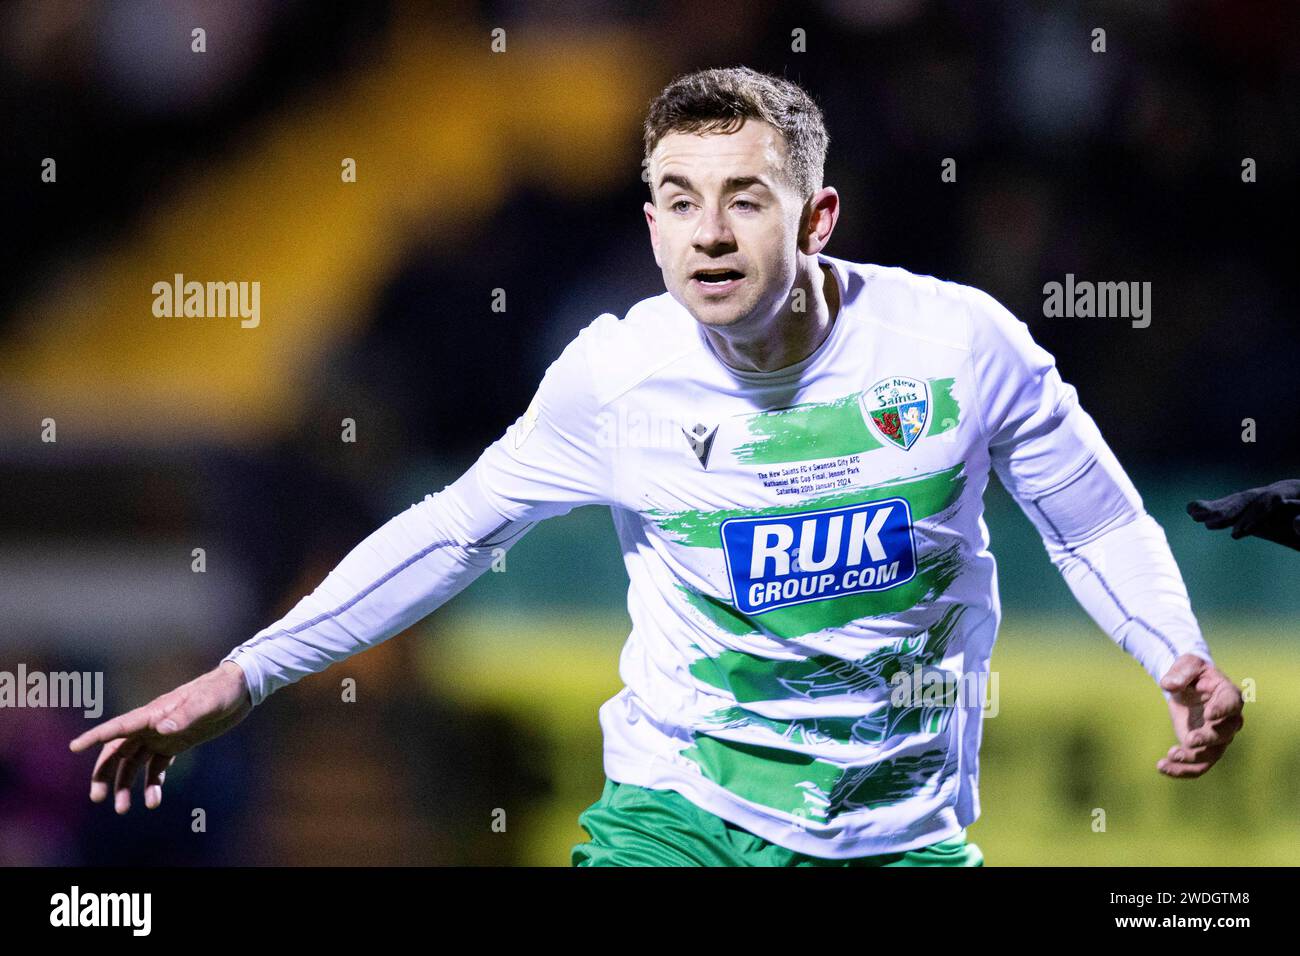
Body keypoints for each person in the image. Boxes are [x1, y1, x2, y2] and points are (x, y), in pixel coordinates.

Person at [70, 66, 1245, 867]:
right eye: (678, 201)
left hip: (895, 831)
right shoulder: (616, 375)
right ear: (648, 224)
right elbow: (455, 528)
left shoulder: (959, 347)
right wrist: (247, 674)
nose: (710, 233)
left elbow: (1092, 523)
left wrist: (1171, 649)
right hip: (680, 812)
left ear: (819, 216)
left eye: (745, 198)